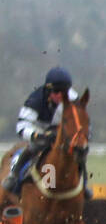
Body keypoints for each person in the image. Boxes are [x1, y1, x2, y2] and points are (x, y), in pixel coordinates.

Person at [3, 67, 81, 195]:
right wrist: (36, 135)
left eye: (64, 92)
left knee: (79, 152)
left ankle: (83, 184)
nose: (61, 96)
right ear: (48, 91)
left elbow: (81, 122)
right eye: (56, 92)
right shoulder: (35, 100)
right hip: (40, 131)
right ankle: (14, 175)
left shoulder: (74, 99)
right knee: (35, 147)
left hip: (62, 131)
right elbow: (21, 126)